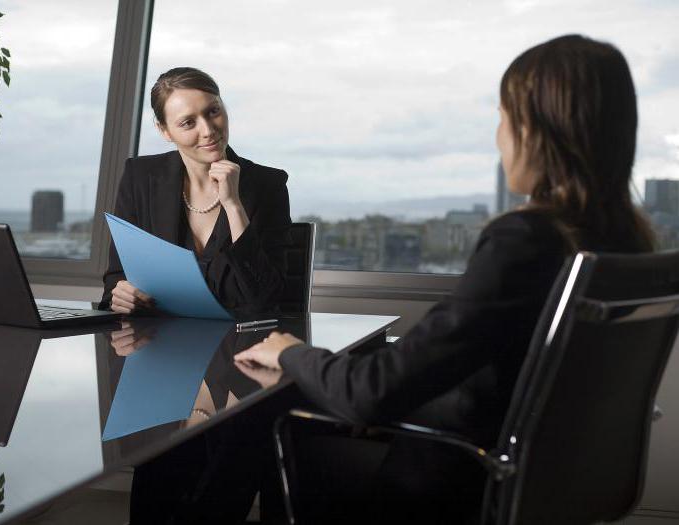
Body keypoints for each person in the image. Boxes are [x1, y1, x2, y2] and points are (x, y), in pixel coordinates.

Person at [234, 34, 656, 522]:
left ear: (538, 130)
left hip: (454, 483)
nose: (499, 137)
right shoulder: (621, 243)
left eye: (503, 117)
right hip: (548, 481)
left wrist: (289, 352)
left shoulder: (526, 242)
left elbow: (369, 395)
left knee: (277, 417)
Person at [99, 67, 292, 316]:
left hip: (240, 344)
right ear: (165, 131)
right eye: (188, 122)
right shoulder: (140, 177)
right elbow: (117, 277)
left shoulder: (267, 184)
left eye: (213, 111)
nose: (208, 130)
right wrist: (121, 295)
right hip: (159, 342)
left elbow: (265, 298)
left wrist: (233, 205)